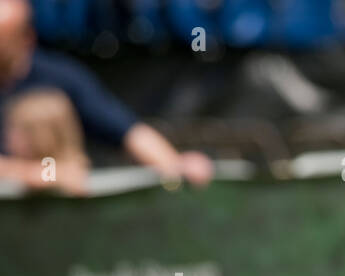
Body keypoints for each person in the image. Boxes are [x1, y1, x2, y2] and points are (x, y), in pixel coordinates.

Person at [0, 0, 212, 188]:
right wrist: (31, 174)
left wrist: (174, 164)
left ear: (27, 38)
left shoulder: (59, 79)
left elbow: (126, 130)